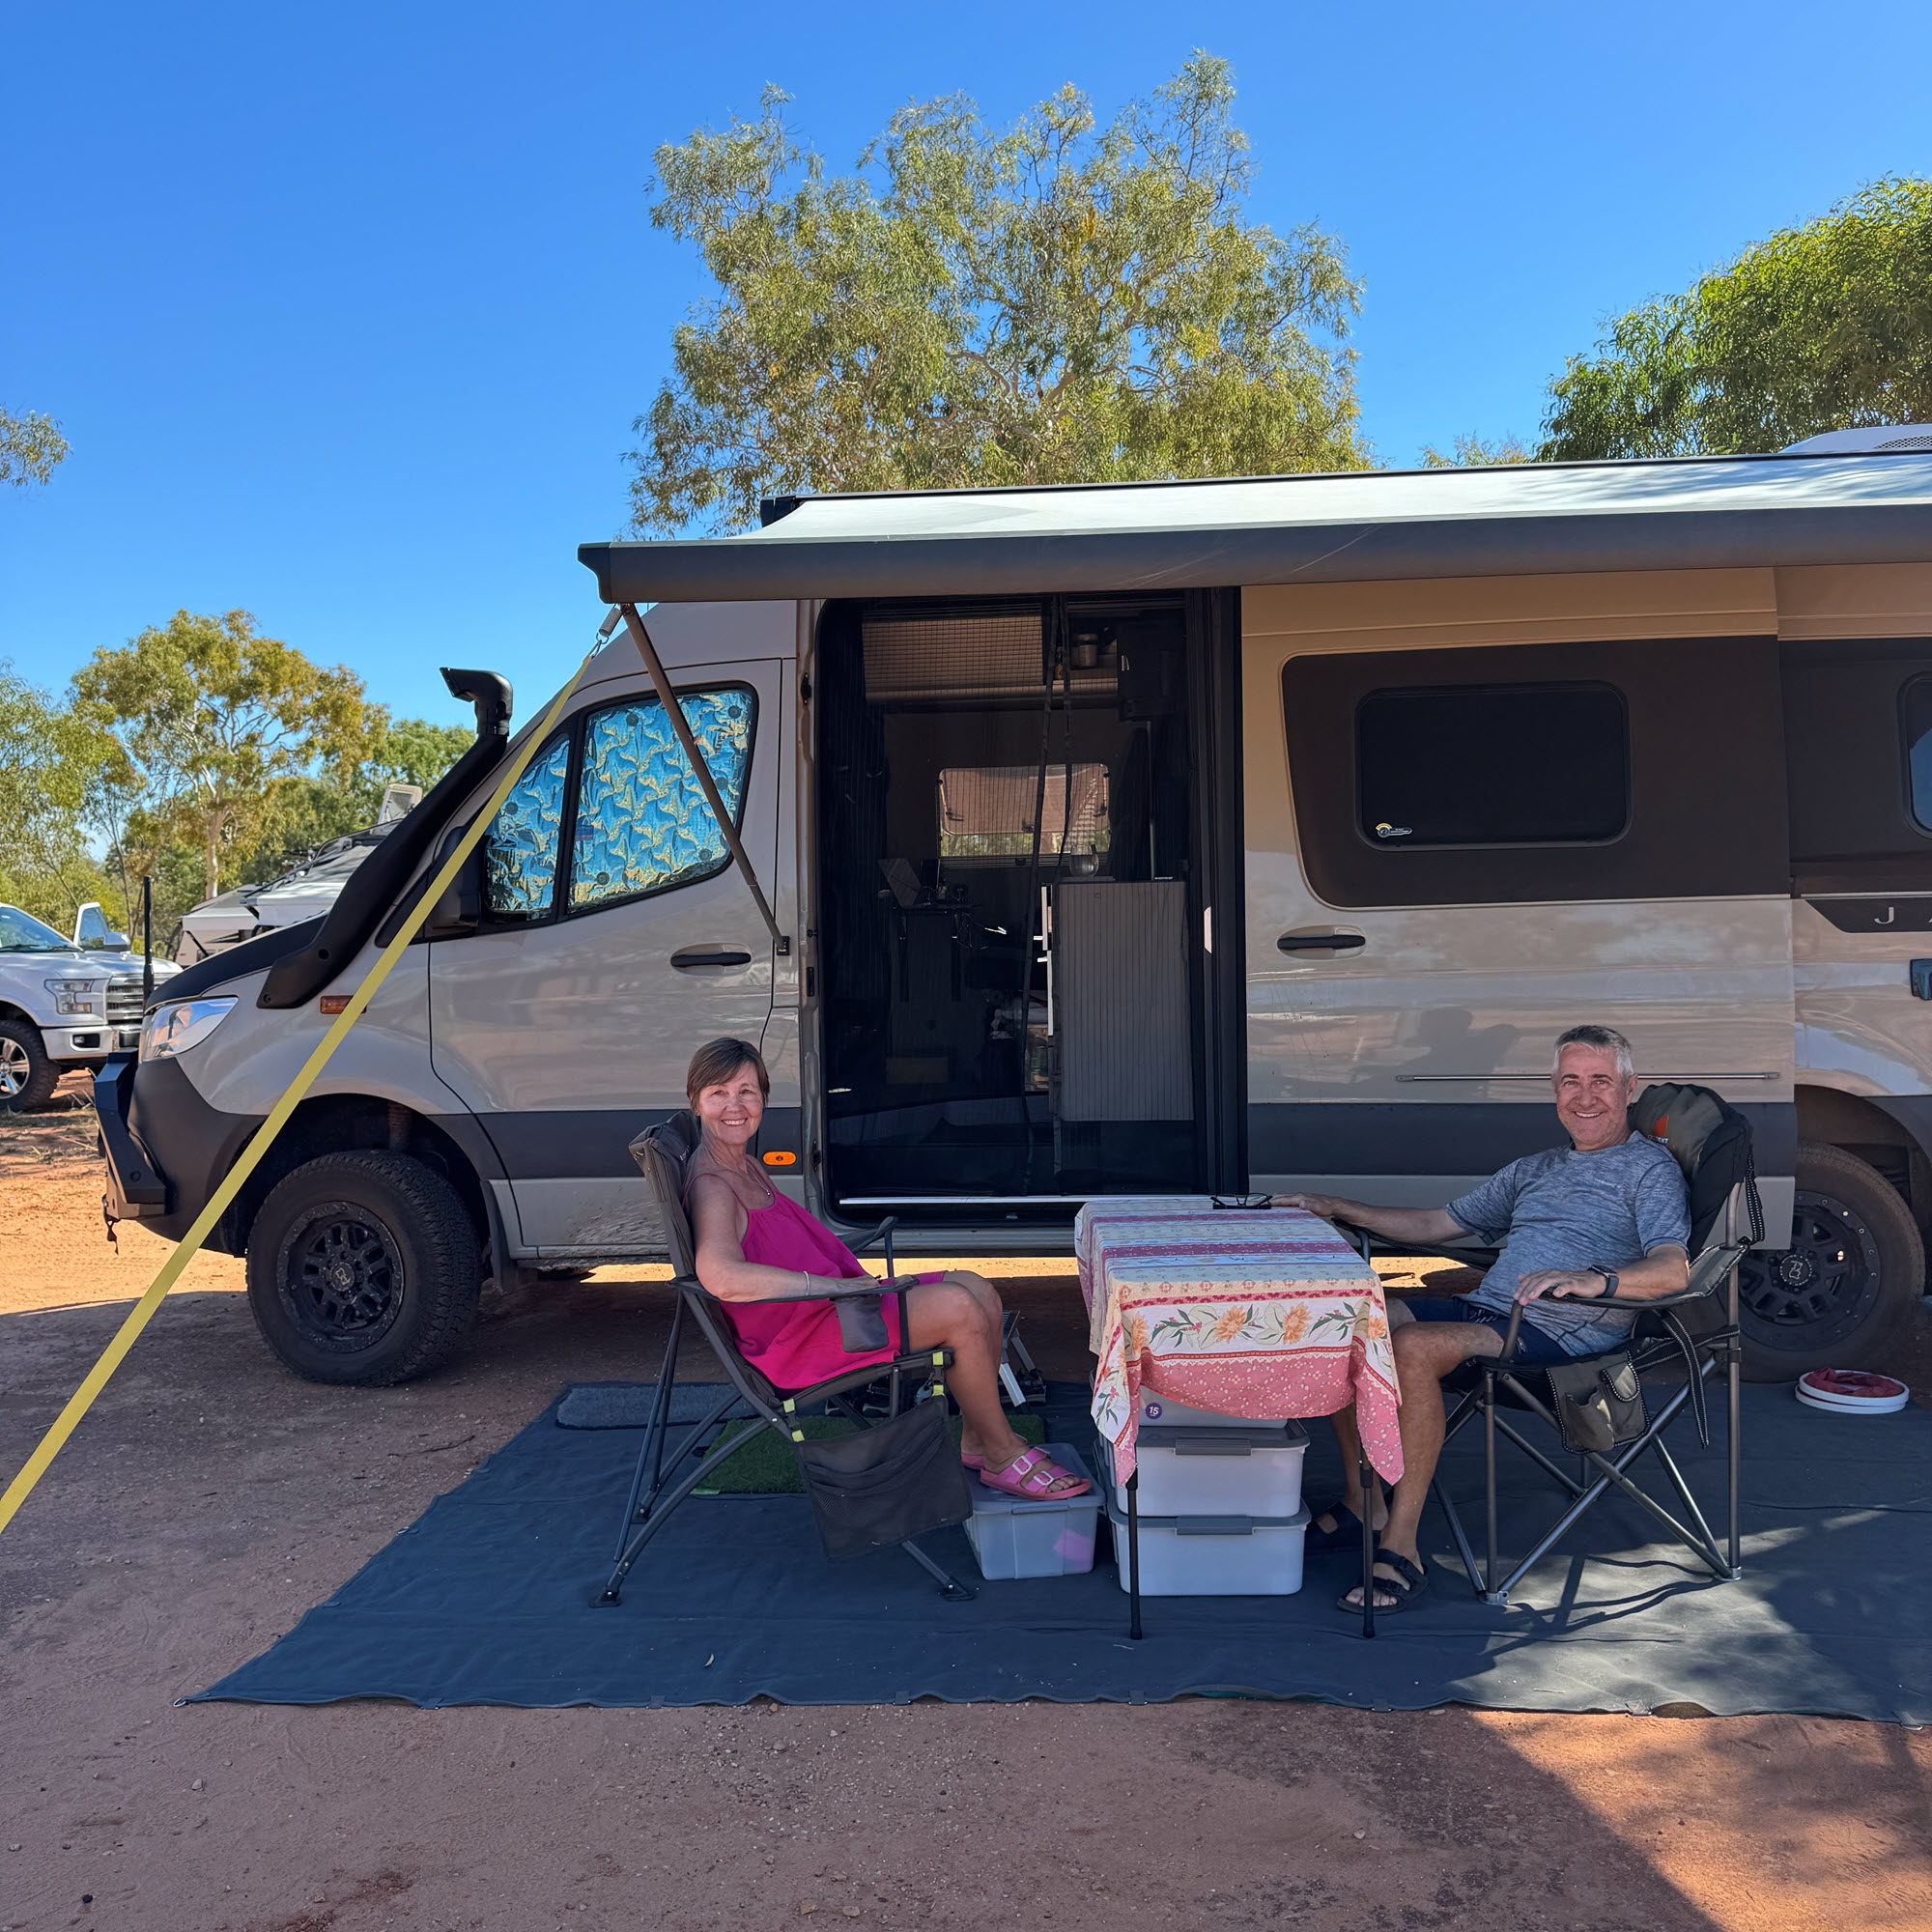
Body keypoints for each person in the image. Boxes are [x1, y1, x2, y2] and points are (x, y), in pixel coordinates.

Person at [1281, 1024, 1690, 1615]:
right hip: (1495, 1313)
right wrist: (1336, 1205)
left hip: (1564, 1335)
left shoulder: (1649, 1171)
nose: (1584, 1096)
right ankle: (1361, 1500)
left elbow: (1673, 1268)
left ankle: (1402, 1546)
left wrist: (1595, 1280)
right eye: (1570, 1081)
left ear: (1630, 1089)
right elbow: (1435, 1225)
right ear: (1554, 1091)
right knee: (1351, 1323)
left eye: (1601, 1081)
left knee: (1416, 1347)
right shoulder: (1536, 1168)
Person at [681, 1037, 1090, 1501]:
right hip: (798, 1339)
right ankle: (1000, 1453)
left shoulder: (745, 1165)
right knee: (959, 1308)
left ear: (765, 1099)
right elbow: (721, 1276)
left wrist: (838, 1289)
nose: (734, 1106)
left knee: (977, 1287)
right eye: (718, 1093)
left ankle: (978, 1439)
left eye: (747, 1091)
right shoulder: (714, 1186)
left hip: (825, 1310)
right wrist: (832, 1286)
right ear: (695, 1102)